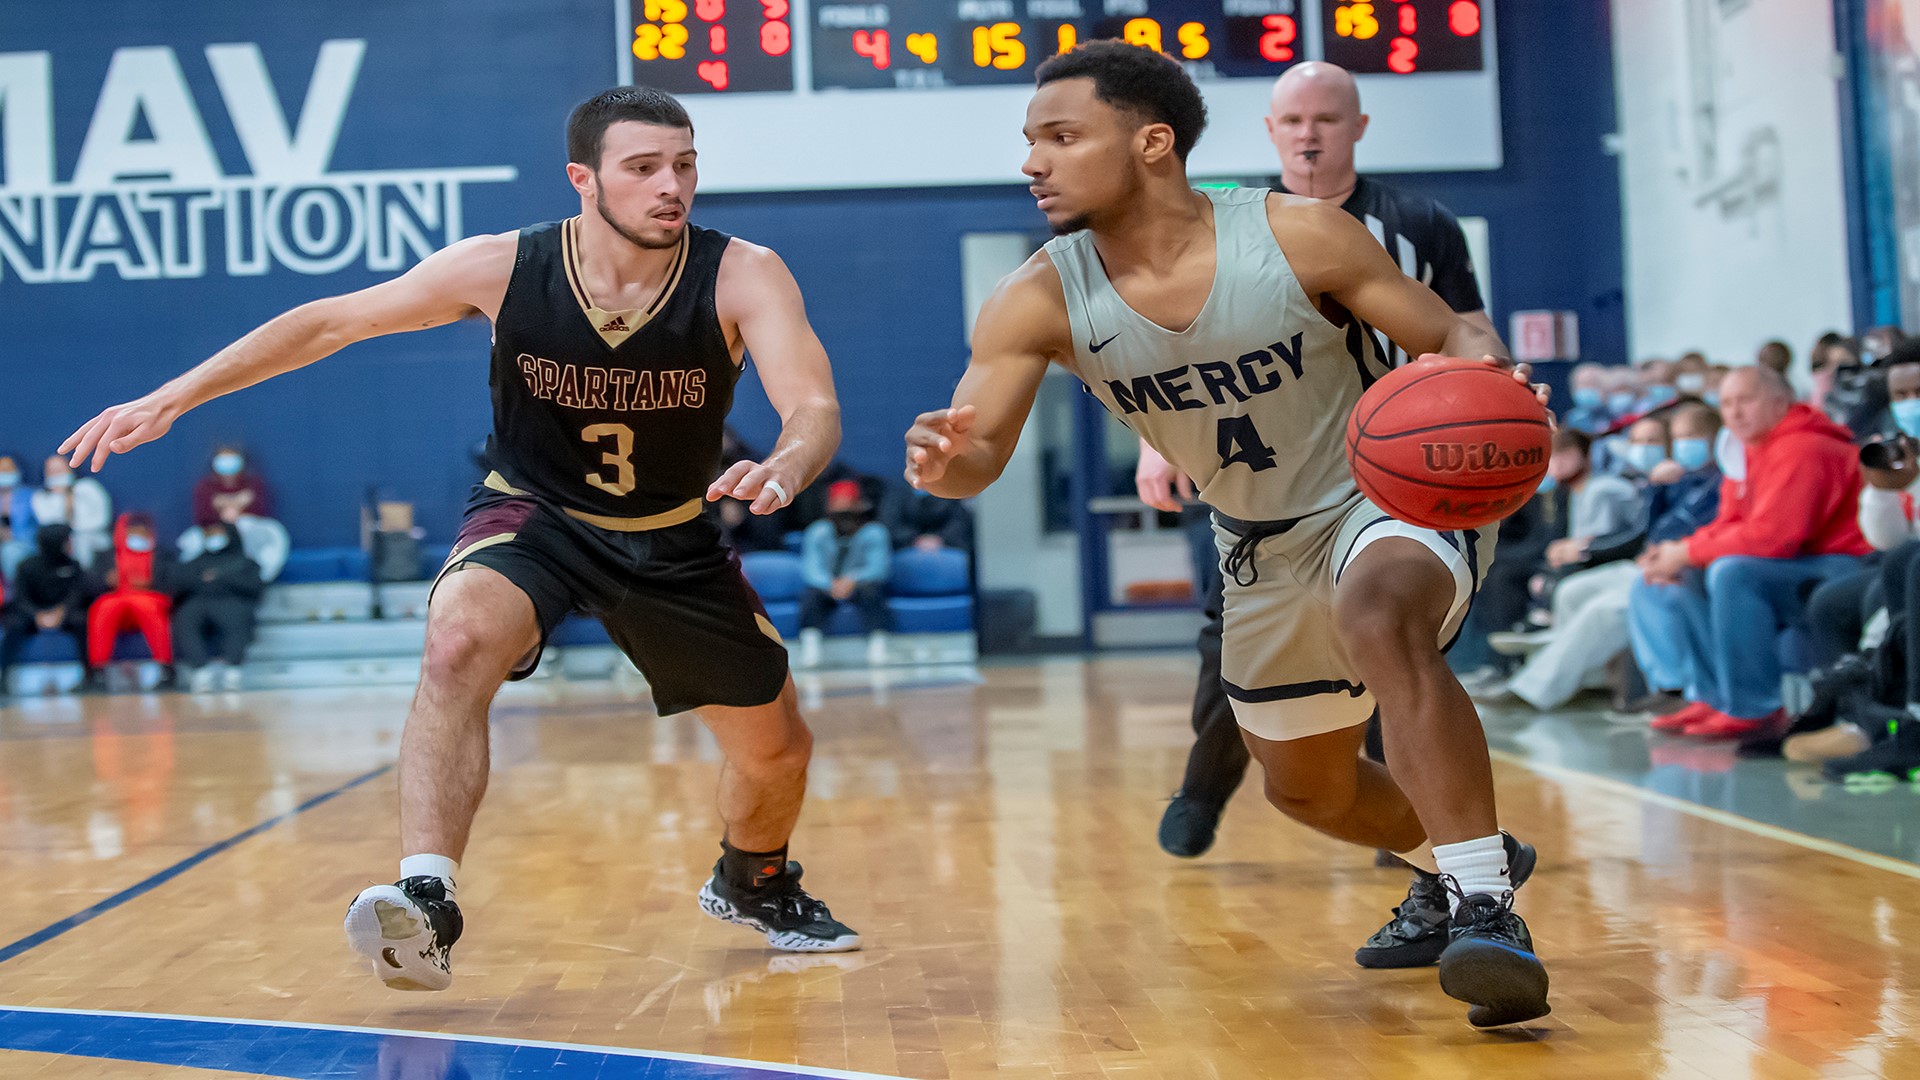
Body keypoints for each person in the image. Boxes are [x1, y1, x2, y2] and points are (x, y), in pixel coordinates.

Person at [60, 85, 859, 992]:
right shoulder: (504, 267)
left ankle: (754, 881)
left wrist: (790, 464)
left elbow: (814, 404)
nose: (670, 186)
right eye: (643, 168)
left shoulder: (743, 272)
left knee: (776, 750)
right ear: (584, 181)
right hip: (535, 515)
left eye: (684, 165)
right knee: (456, 640)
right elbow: (331, 321)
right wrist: (175, 396)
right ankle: (426, 899)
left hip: (668, 535)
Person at [907, 42, 1549, 1028]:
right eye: (1030, 141)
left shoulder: (1299, 234)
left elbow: (1449, 332)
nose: (1033, 162)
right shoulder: (1037, 296)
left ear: (1152, 143)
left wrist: (1490, 371)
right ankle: (1465, 855)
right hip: (1255, 540)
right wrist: (945, 462)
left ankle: (1488, 913)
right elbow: (980, 453)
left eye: (1062, 137)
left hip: (1378, 496)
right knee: (1309, 792)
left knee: (1380, 619)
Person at [1138, 60, 1496, 864]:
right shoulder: (1228, 220)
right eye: (1293, 120)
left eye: (1327, 119)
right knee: (1236, 643)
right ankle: (1206, 785)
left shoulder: (1420, 222)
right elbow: (1174, 352)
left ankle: (1425, 836)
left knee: (1384, 635)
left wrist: (1500, 390)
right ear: (1271, 131)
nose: (1309, 133)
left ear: (1358, 127)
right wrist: (1152, 446)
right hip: (1262, 470)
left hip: (1391, 474)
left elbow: (1469, 327)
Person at [1631, 366, 1872, 739]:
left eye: (1746, 400)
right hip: (1798, 562)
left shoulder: (1803, 446)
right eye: (1726, 403)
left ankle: (1754, 706)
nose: (1734, 413)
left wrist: (1690, 550)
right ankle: (1715, 698)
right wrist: (1675, 552)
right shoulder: (1750, 446)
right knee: (1687, 572)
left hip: (1843, 565)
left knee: (1731, 571)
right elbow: (1730, 521)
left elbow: (1777, 538)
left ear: (1780, 403)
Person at [796, 478, 893, 668]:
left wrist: (852, 579)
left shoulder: (874, 532)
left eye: (848, 510)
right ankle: (811, 645)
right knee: (810, 595)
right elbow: (811, 569)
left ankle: (878, 642)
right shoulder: (818, 532)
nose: (844, 517)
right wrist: (830, 584)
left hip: (859, 585)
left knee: (873, 592)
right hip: (828, 586)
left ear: (859, 507)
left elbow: (879, 568)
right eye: (839, 511)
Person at [171, 517, 267, 692]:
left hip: (231, 601)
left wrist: (219, 579)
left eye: (218, 534)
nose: (213, 538)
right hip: (198, 602)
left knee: (236, 616)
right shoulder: (196, 562)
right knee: (185, 617)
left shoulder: (244, 562)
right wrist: (207, 581)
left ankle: (233, 668)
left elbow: (254, 587)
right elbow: (180, 584)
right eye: (209, 534)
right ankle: (200, 670)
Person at [0, 525, 93, 695]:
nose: (71, 544)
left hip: (64, 614)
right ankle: (4, 677)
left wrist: (61, 612)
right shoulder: (27, 566)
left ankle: (89, 675)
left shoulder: (73, 566)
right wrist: (37, 614)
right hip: (34, 614)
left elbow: (77, 594)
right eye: (67, 540)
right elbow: (21, 598)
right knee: (13, 625)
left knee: (82, 621)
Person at [87, 512, 176, 686]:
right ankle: (97, 670)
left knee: (145, 605)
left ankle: (165, 668)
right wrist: (106, 581)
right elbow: (90, 586)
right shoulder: (105, 556)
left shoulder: (164, 555)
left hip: (149, 598)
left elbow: (175, 584)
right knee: (104, 607)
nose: (136, 536)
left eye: (141, 532)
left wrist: (150, 584)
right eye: (132, 532)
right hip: (116, 597)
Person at [32, 454, 112, 569]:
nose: (57, 475)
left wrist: (74, 528)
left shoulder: (88, 487)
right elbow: (50, 525)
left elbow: (102, 519)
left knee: (81, 540)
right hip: (59, 544)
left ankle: (83, 578)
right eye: (52, 471)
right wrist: (62, 497)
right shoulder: (40, 497)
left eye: (60, 470)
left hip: (94, 540)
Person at [193, 445, 274, 525]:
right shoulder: (205, 487)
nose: (228, 473)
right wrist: (237, 503)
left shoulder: (254, 485)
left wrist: (227, 505)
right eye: (223, 465)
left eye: (232, 465)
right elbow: (203, 518)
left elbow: (260, 514)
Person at [0, 455, 35, 582]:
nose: (4, 474)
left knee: (10, 552)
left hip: (23, 544)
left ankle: (14, 595)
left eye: (7, 470)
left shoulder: (29, 495)